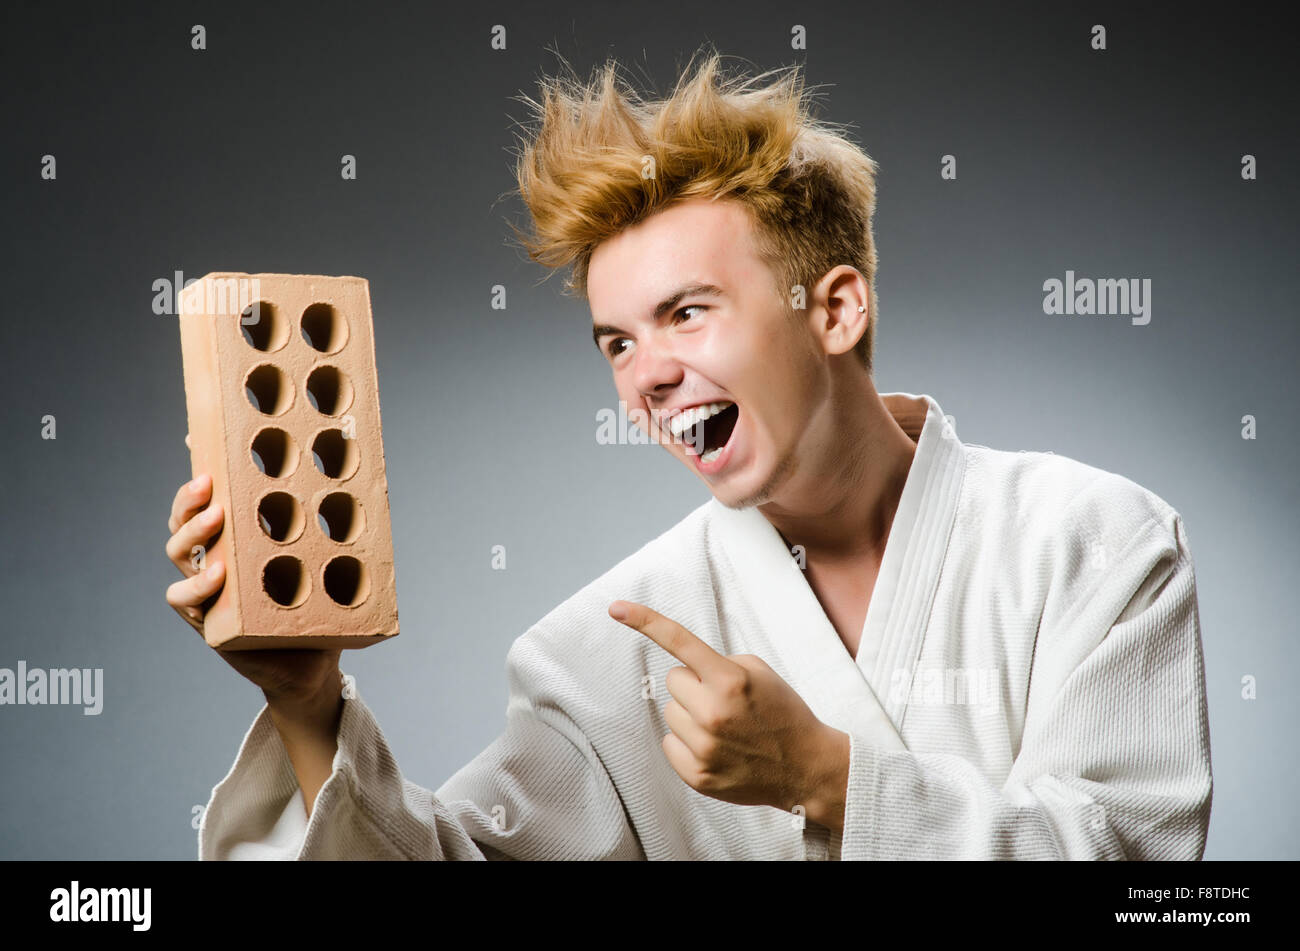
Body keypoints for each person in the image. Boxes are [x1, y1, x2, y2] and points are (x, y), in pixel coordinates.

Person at [165, 50, 1212, 860]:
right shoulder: (603, 652)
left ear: (835, 308)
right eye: (617, 341)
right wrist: (306, 702)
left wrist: (828, 776)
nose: (647, 375)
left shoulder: (1094, 542)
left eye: (688, 314)